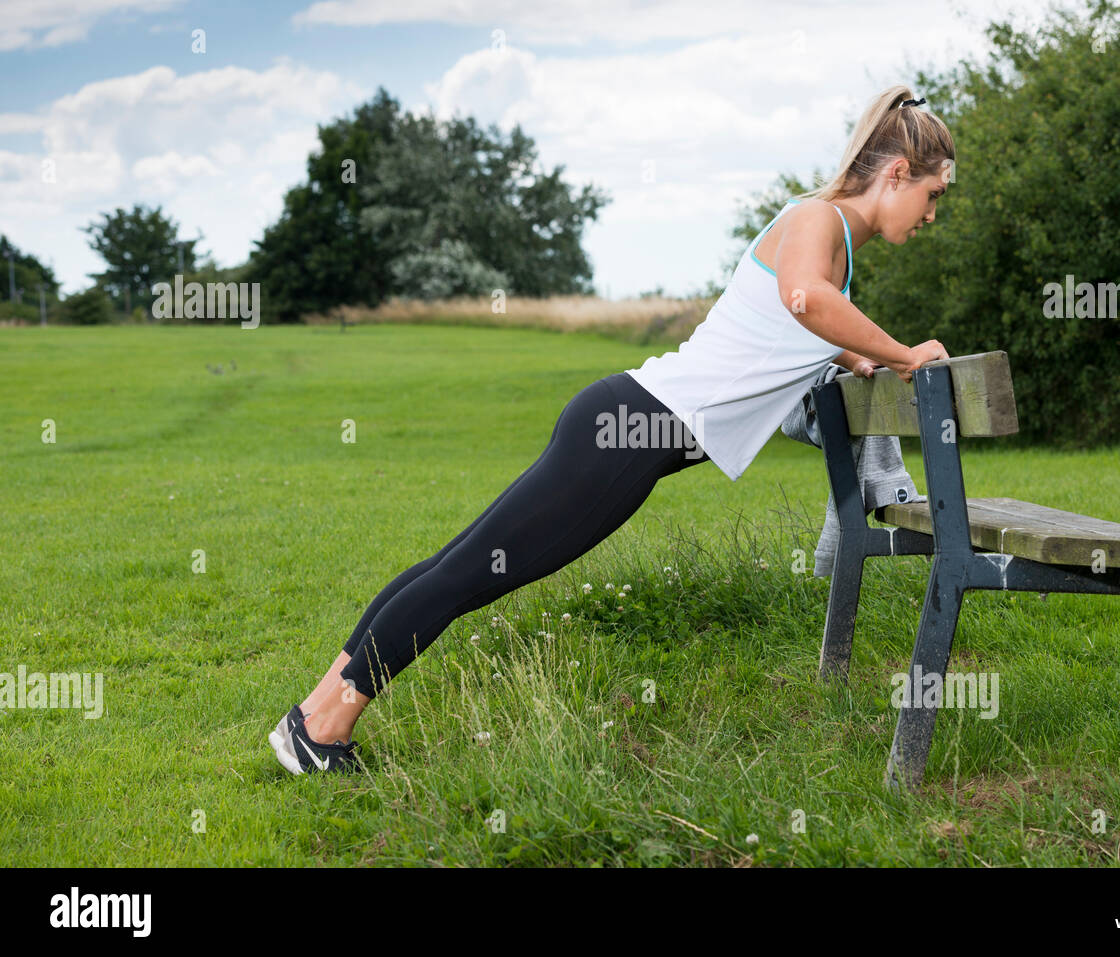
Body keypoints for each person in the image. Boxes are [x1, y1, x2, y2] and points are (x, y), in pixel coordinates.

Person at [270, 84, 954, 775]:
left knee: (457, 564)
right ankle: (321, 726)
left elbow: (791, 319)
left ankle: (316, 712)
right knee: (467, 575)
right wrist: (903, 353)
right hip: (630, 435)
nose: (931, 216)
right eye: (933, 196)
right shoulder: (820, 222)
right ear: (896, 173)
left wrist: (855, 354)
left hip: (624, 423)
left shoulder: (822, 232)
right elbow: (805, 299)